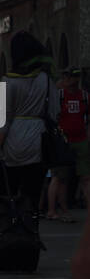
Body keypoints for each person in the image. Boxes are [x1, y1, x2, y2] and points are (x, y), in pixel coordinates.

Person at [0, 31, 58, 214]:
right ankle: (31, 231)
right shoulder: (47, 80)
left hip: (13, 143)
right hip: (39, 142)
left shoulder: (8, 81)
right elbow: (54, 112)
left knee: (9, 193)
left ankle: (12, 232)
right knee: (32, 195)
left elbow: (4, 119)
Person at [58, 67, 90, 214]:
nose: (74, 80)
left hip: (81, 139)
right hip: (64, 141)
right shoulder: (60, 95)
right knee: (62, 178)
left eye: (77, 77)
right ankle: (63, 210)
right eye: (72, 77)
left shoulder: (84, 96)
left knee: (85, 177)